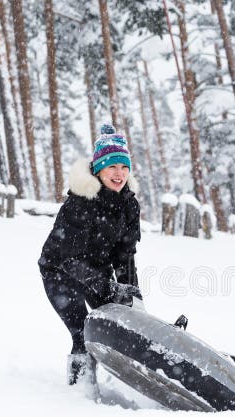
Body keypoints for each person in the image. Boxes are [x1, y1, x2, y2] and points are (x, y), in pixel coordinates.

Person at [38, 124, 142, 393]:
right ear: (99, 169)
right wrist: (109, 288)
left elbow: (125, 255)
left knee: (123, 327)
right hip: (58, 271)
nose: (118, 174)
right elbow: (67, 259)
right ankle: (80, 392)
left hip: (96, 272)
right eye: (112, 167)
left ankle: (133, 385)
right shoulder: (79, 203)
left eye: (123, 167)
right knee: (83, 332)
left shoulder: (129, 204)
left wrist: (134, 297)